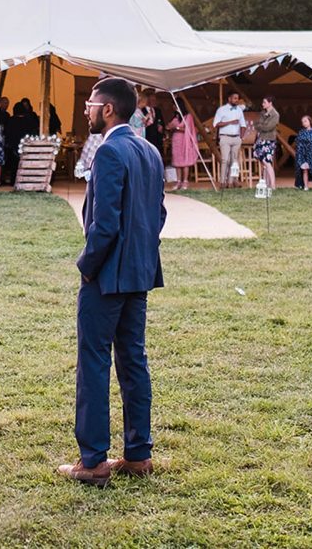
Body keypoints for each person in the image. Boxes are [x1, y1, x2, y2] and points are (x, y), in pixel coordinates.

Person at [58, 76, 165, 487]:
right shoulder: (150, 151)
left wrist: (88, 266)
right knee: (133, 360)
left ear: (108, 109)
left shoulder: (108, 152)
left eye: (90, 103)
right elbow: (158, 216)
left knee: (94, 362)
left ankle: (93, 461)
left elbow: (104, 224)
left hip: (105, 278)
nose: (86, 109)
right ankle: (138, 455)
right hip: (139, 273)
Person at [212, 92, 246, 188]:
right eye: (234, 98)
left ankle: (232, 181)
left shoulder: (239, 110)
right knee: (225, 160)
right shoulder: (221, 110)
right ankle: (222, 182)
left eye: (237, 98)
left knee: (234, 161)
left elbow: (243, 125)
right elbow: (215, 124)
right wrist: (230, 122)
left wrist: (241, 137)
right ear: (229, 98)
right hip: (225, 137)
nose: (236, 100)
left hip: (236, 138)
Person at [166, 109, 199, 191]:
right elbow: (169, 127)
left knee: (185, 161)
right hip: (176, 140)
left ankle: (185, 181)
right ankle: (178, 181)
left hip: (184, 140)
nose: (174, 108)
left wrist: (177, 128)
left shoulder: (188, 117)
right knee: (177, 162)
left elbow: (189, 129)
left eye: (175, 106)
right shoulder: (175, 117)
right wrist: (169, 127)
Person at [253, 96, 279, 197]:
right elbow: (256, 124)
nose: (263, 104)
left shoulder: (275, 114)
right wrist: (262, 125)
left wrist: (261, 125)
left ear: (270, 103)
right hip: (260, 139)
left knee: (267, 161)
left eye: (264, 102)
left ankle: (272, 185)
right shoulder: (262, 113)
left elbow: (269, 127)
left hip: (269, 139)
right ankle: (266, 183)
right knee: (262, 160)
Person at [293, 115, 312, 191]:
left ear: (310, 121)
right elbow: (297, 140)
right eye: (302, 122)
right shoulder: (301, 132)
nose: (304, 123)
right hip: (303, 154)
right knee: (304, 170)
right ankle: (305, 186)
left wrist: (302, 139)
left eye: (305, 121)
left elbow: (309, 139)